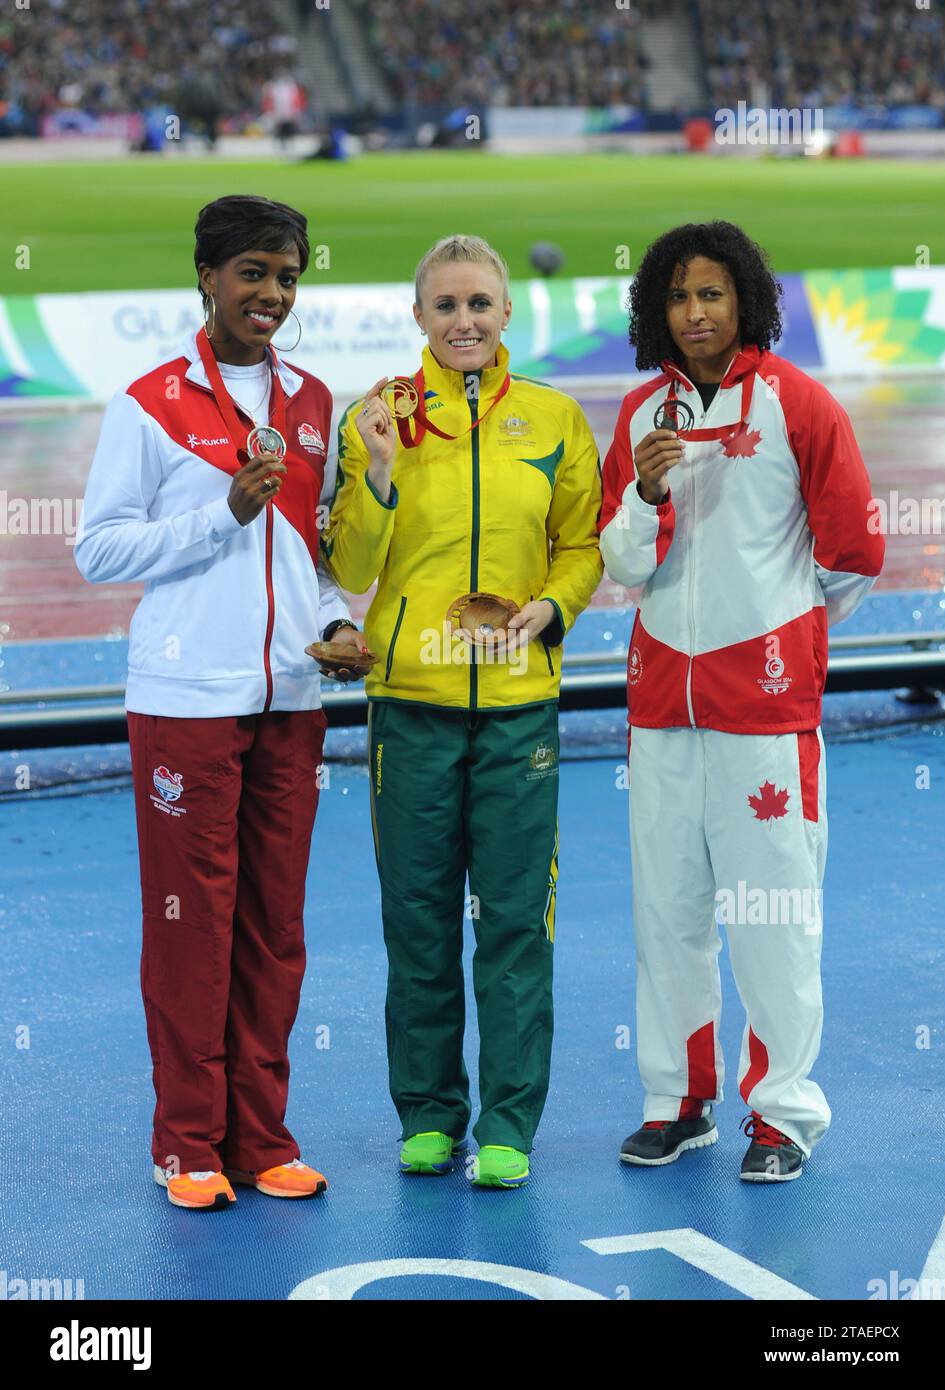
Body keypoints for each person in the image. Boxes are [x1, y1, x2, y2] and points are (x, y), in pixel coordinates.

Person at [75, 195, 370, 1210]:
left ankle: (263, 1136)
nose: (272, 294)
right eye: (252, 273)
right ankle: (187, 1143)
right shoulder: (149, 402)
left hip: (290, 695)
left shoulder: (316, 401)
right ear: (206, 276)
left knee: (274, 927)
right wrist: (219, 515)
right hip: (184, 699)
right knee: (190, 924)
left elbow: (314, 557)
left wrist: (332, 622)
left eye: (287, 276)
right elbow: (99, 548)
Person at [599, 221, 885, 1182]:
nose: (694, 313)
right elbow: (622, 563)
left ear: (747, 300)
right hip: (658, 707)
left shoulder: (801, 405)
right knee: (666, 910)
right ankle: (676, 1101)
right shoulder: (643, 415)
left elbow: (852, 555)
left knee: (772, 911)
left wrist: (781, 633)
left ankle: (782, 1113)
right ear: (656, 310)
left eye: (712, 294)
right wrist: (642, 495)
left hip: (763, 711)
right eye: (677, 297)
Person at [322, 235, 603, 1188]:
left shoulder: (556, 419)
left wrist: (551, 608)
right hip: (412, 706)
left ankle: (508, 1126)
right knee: (419, 919)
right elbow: (352, 568)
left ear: (507, 313)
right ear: (418, 318)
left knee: (519, 923)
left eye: (479, 303)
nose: (464, 322)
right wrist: (380, 471)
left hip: (520, 707)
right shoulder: (377, 416)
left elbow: (581, 546)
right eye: (444, 306)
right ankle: (430, 1114)